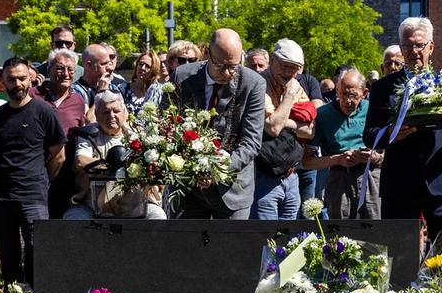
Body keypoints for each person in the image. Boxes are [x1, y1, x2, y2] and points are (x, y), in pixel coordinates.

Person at [364, 17, 442, 245]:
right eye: (408, 45)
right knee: (399, 257)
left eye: (419, 45)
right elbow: (369, 136)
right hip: (399, 185)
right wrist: (391, 133)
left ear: (431, 46)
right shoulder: (382, 88)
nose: (413, 51)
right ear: (401, 49)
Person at [169, 29, 265, 219]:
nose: (227, 73)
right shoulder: (182, 77)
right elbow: (168, 127)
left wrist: (216, 169)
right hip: (187, 190)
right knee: (183, 239)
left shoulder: (253, 83)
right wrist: (191, 167)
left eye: (234, 66)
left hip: (233, 189)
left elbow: (252, 142)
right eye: (221, 65)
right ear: (207, 54)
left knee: (231, 241)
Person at [0, 57, 66, 284]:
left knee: (37, 251)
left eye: (22, 78)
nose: (18, 84)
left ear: (30, 79)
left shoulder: (44, 112)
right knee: (7, 255)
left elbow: (59, 155)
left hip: (33, 195)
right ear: (3, 81)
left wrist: (42, 180)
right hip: (1, 198)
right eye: (12, 79)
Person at [63, 92, 164, 220]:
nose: (111, 116)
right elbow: (80, 161)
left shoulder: (138, 135)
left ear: (125, 113)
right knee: (73, 218)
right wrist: (112, 166)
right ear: (96, 115)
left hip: (134, 205)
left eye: (116, 111)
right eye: (106, 112)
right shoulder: (88, 134)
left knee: (157, 216)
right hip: (92, 205)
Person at [304, 67, 381, 219]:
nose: (347, 101)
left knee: (374, 226)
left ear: (365, 93)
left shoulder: (373, 110)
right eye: (343, 94)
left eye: (353, 95)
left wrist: (374, 157)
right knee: (339, 228)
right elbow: (307, 162)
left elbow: (387, 152)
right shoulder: (322, 115)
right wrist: (339, 159)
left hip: (370, 175)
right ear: (337, 90)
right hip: (338, 177)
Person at [252, 40, 313, 220]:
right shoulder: (260, 84)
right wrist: (288, 98)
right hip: (264, 176)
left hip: (291, 176)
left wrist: (283, 120)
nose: (288, 72)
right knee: (266, 233)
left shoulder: (295, 85)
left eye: (294, 68)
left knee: (289, 234)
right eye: (284, 65)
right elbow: (273, 128)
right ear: (272, 60)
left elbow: (310, 130)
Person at [33, 49, 88, 218]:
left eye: (70, 69)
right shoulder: (33, 96)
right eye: (59, 68)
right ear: (48, 69)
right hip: (37, 175)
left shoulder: (78, 101)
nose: (65, 74)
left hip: (66, 179)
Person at [73, 44, 127, 109]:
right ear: (89, 65)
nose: (109, 68)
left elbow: (123, 113)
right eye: (104, 64)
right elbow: (88, 116)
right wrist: (101, 93)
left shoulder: (112, 87)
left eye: (109, 63)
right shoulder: (75, 91)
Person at [122, 50, 164, 115]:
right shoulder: (122, 89)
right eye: (141, 64)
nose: (142, 68)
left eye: (148, 66)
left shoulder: (157, 91)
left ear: (154, 70)